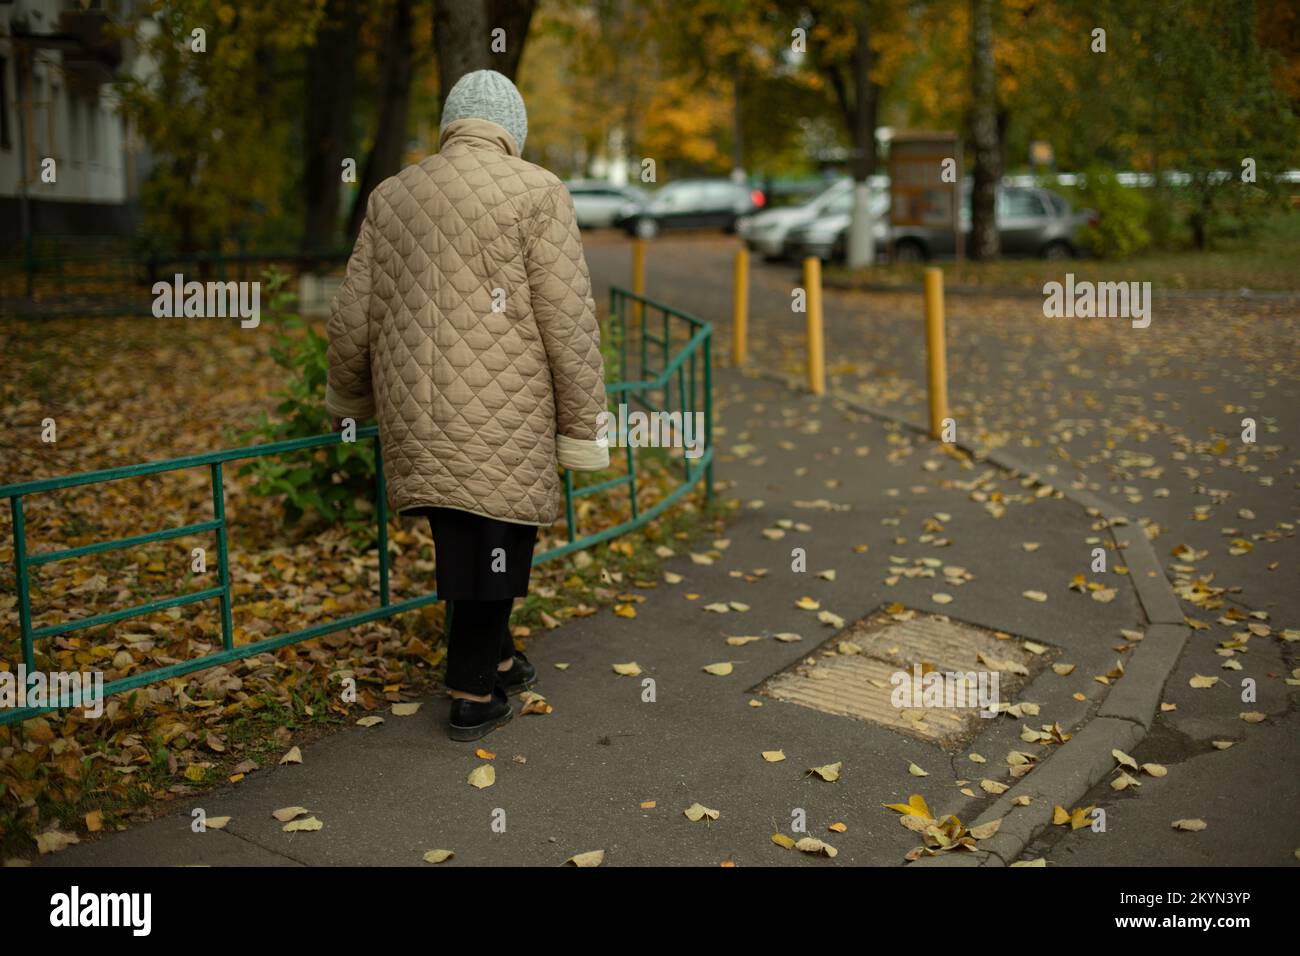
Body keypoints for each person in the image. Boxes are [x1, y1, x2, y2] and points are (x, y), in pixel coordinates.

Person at [325, 69, 609, 741]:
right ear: (513, 130)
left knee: (462, 534)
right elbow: (567, 320)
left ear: (451, 122)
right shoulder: (539, 191)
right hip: (508, 404)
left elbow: (350, 315)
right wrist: (584, 423)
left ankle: (500, 658)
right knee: (503, 536)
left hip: (416, 405)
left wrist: (349, 396)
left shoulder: (393, 194)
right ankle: (471, 694)